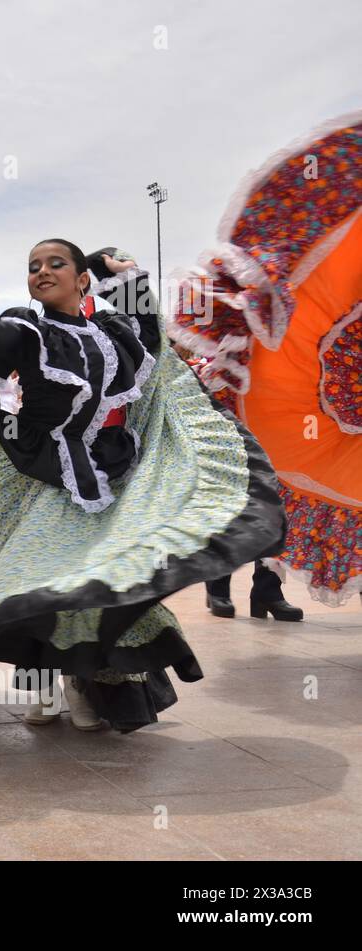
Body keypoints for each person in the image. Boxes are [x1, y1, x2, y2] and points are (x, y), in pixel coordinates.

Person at [0, 215, 284, 733]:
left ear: (81, 278)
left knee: (97, 588)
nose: (41, 272)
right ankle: (42, 693)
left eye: (55, 263)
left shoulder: (112, 333)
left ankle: (88, 689)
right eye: (33, 266)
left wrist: (125, 276)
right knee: (35, 587)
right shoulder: (30, 329)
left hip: (110, 481)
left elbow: (150, 334)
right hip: (38, 480)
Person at [172, 112, 359, 610]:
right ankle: (219, 584)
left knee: (274, 498)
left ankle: (265, 590)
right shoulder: (223, 352)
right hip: (266, 400)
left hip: (312, 411)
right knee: (245, 491)